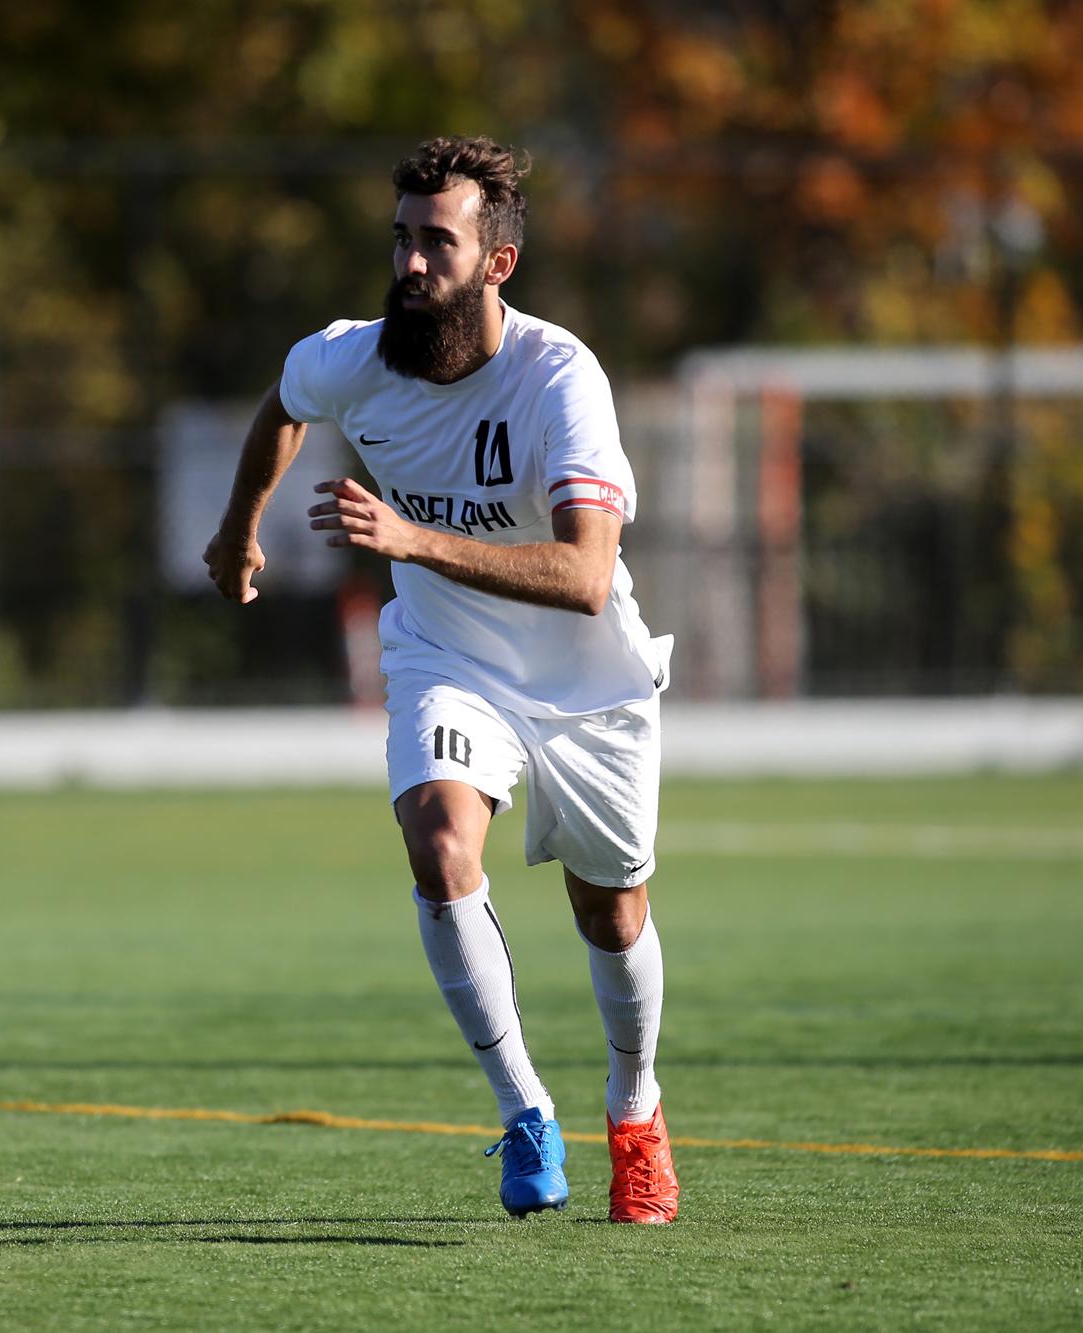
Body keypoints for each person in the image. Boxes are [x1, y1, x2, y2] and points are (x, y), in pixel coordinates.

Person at [203, 135, 679, 1225]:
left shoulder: (560, 378)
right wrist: (238, 535)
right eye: (401, 240)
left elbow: (582, 571)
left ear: (495, 264)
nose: (411, 264)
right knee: (437, 842)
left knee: (608, 911)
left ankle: (635, 1109)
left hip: (585, 676)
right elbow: (281, 406)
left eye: (438, 244)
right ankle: (524, 1114)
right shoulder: (350, 355)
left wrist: (411, 539)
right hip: (443, 656)